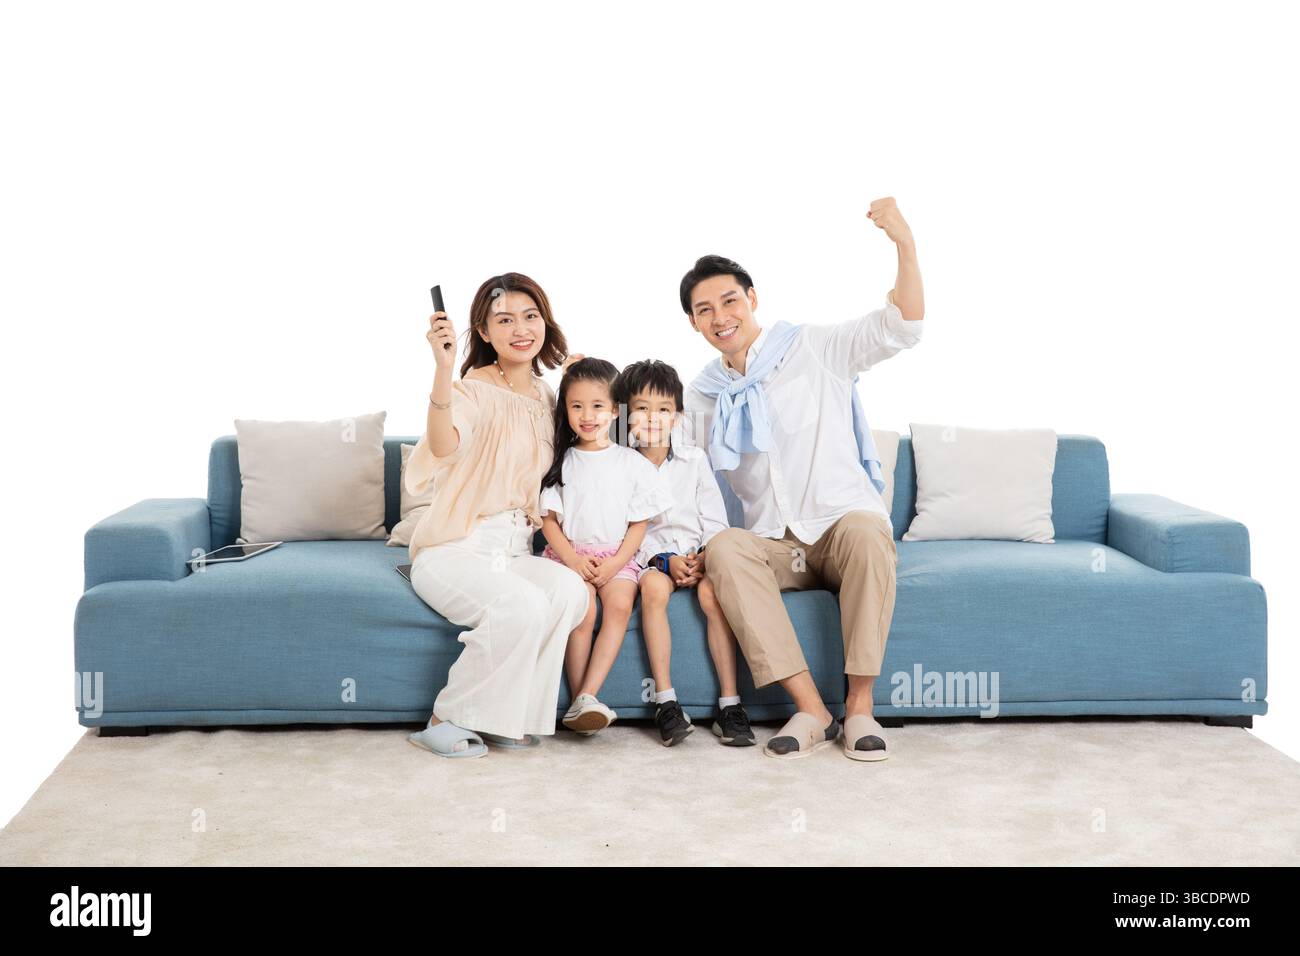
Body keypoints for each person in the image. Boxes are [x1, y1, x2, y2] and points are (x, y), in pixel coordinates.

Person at [679, 196, 926, 762]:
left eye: (730, 301)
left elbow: (904, 326)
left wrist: (905, 244)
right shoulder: (703, 395)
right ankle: (812, 709)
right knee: (723, 547)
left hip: (837, 526)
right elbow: (675, 471)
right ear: (693, 323)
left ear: (753, 299)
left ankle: (859, 706)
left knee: (867, 531)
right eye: (704, 310)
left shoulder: (815, 347)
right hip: (775, 543)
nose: (721, 317)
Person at [404, 272, 590, 758]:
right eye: (504, 320)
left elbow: (598, 442)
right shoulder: (472, 389)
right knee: (521, 605)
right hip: (455, 548)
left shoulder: (548, 398)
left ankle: (512, 717)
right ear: (484, 333)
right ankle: (444, 718)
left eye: (531, 316)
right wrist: (443, 370)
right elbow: (444, 445)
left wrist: (582, 381)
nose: (521, 328)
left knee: (570, 591)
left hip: (511, 550)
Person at [613, 359, 755, 747]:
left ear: (677, 416)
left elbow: (715, 519)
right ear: (625, 414)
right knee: (654, 590)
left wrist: (704, 556)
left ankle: (730, 705)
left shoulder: (694, 460)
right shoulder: (621, 467)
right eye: (641, 408)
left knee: (713, 594)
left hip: (698, 554)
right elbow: (625, 533)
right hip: (654, 560)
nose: (653, 418)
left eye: (663, 409)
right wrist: (664, 561)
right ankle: (666, 702)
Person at [538, 358, 674, 734]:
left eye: (598, 406)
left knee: (617, 605)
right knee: (583, 613)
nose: (587, 415)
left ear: (615, 410)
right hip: (571, 557)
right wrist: (573, 559)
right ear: (565, 409)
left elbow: (639, 523)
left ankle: (586, 696)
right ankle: (583, 702)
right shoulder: (562, 461)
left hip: (617, 557)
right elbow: (549, 519)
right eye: (576, 406)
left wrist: (616, 563)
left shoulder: (631, 463)